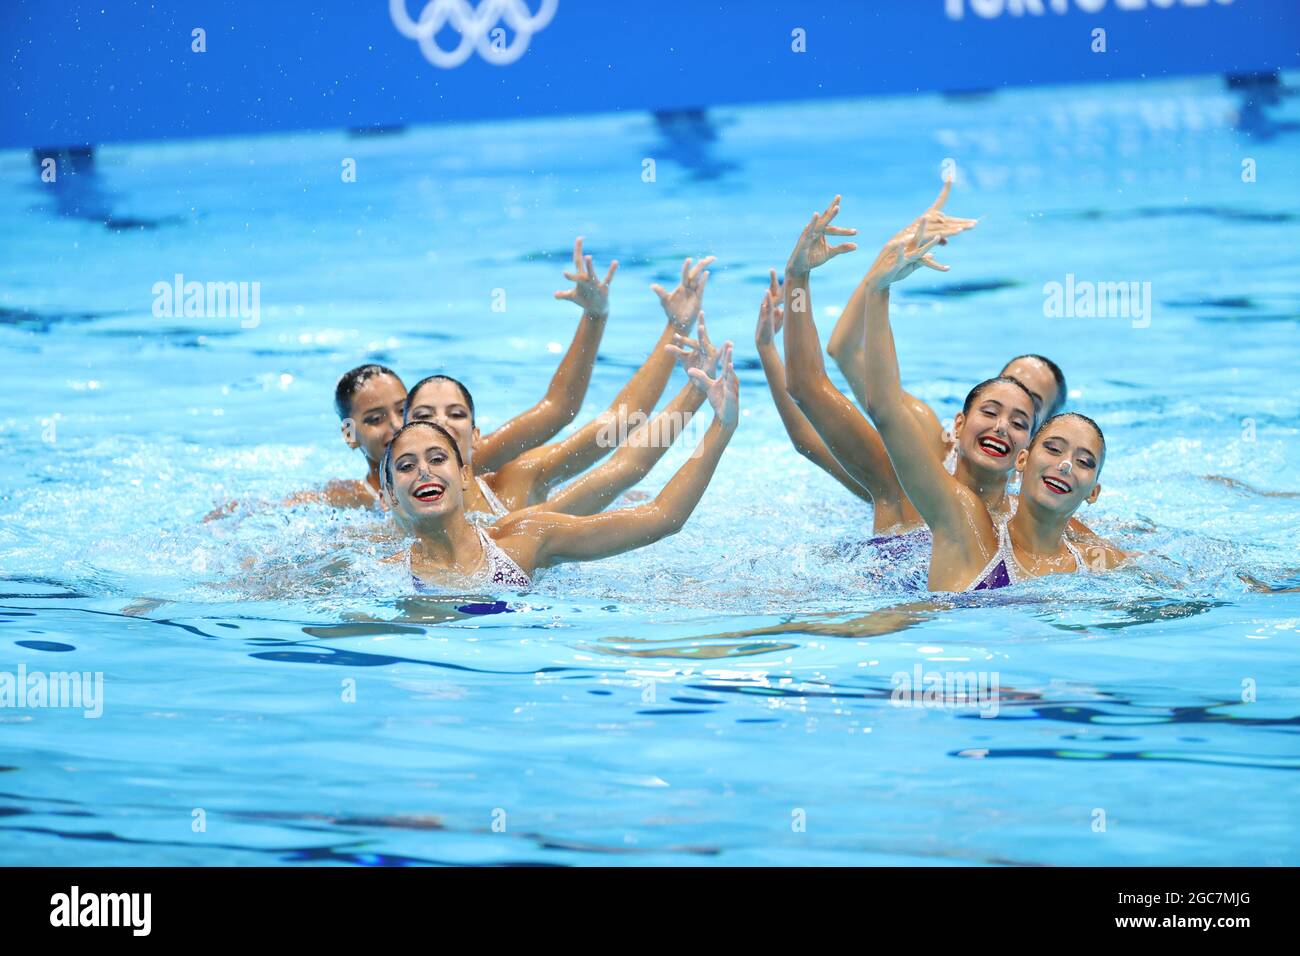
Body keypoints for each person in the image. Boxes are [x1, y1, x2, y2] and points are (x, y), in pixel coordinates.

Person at [855, 199, 1128, 590]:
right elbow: (885, 410)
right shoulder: (967, 524)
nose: (1066, 465)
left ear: (1094, 492)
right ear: (1023, 458)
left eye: (1084, 462)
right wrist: (878, 291)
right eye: (1053, 449)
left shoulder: (1096, 562)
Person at [381, 342, 739, 593]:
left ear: (464, 472)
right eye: (407, 465)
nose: (424, 471)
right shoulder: (384, 570)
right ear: (390, 496)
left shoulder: (522, 534)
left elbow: (654, 505)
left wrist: (718, 423)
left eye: (438, 457)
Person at [402, 254, 714, 521]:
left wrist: (676, 328)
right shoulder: (394, 510)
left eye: (456, 413)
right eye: (424, 415)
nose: (441, 422)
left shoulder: (517, 491)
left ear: (476, 435)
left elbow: (619, 425)